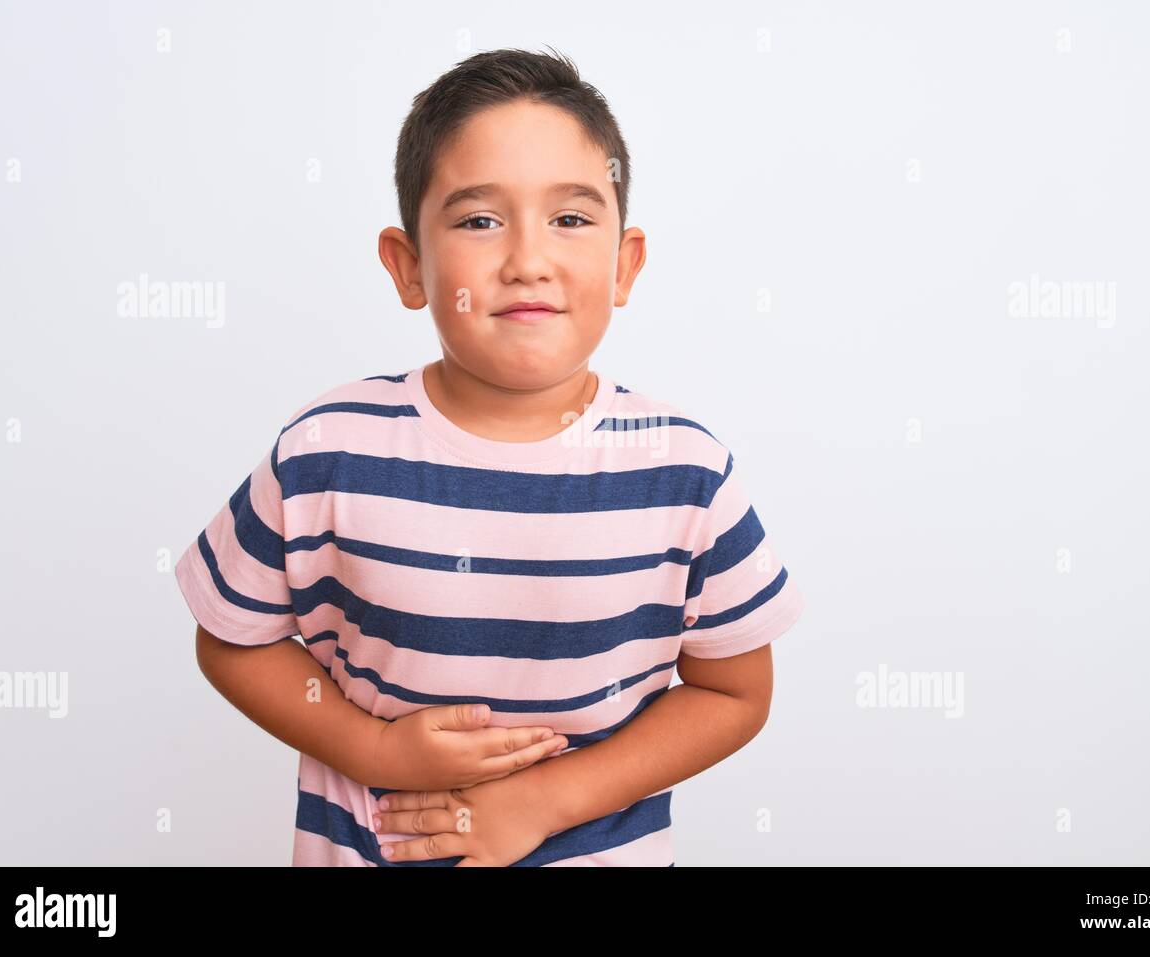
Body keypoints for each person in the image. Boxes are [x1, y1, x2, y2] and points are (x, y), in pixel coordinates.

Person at [175, 46, 804, 866]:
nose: (527, 260)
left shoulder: (684, 471)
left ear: (624, 264)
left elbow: (735, 692)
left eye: (571, 218)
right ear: (409, 267)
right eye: (479, 219)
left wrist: (545, 801)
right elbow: (231, 637)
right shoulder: (325, 450)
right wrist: (374, 750)